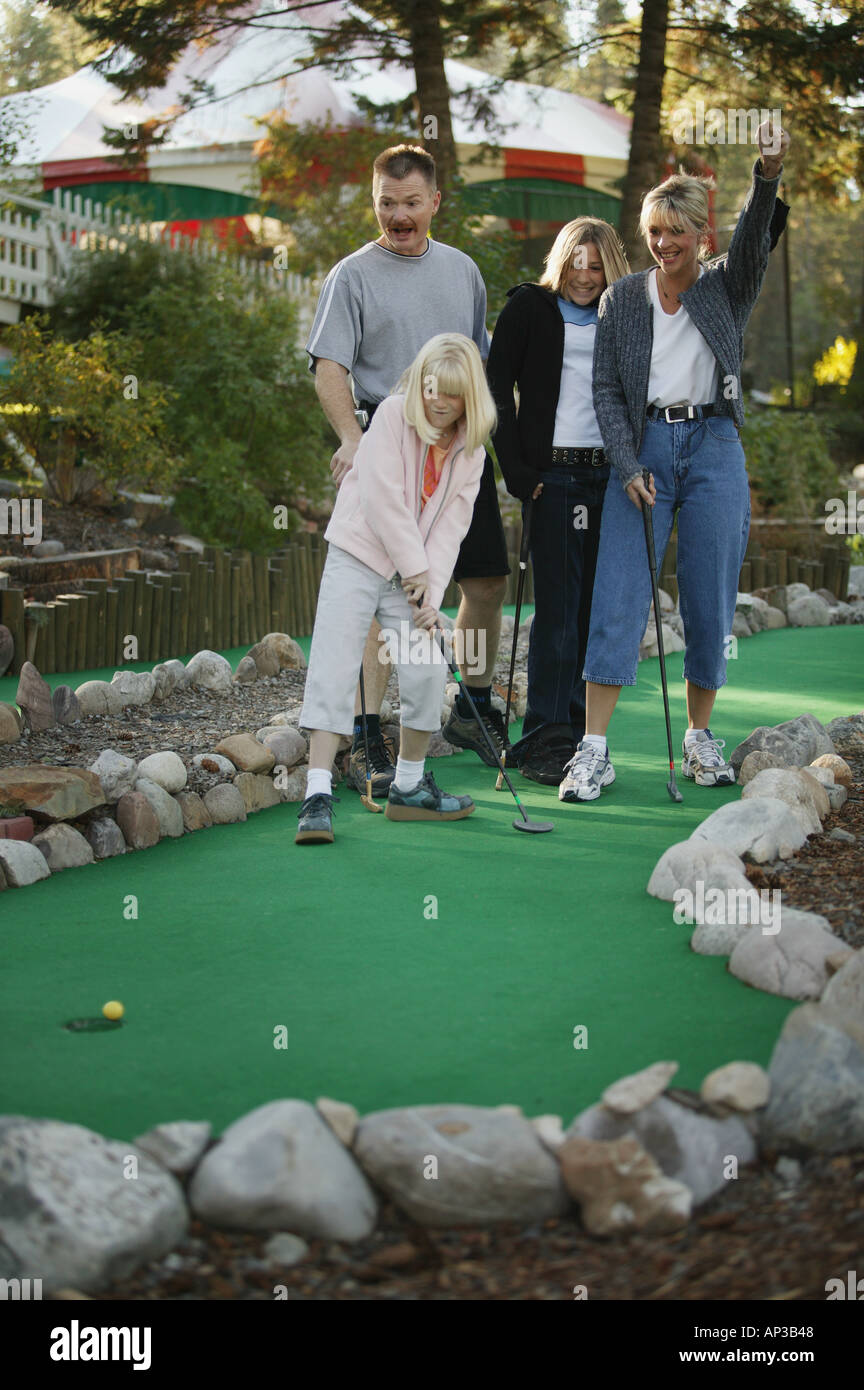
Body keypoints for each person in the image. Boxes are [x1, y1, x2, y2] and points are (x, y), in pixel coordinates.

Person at [559, 119, 791, 804]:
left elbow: (755, 241)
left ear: (702, 237)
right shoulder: (623, 299)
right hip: (646, 451)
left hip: (715, 446)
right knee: (619, 592)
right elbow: (605, 387)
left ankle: (698, 739)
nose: (663, 243)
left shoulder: (726, 286)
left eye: (676, 232)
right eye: (654, 231)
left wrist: (767, 174)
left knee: (710, 594)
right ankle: (594, 751)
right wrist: (627, 464)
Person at [305, 144, 510, 798]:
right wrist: (352, 437)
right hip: (385, 446)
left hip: (453, 453)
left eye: (410, 203)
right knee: (371, 597)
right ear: (375, 203)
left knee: (485, 580)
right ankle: (366, 734)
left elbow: (473, 362)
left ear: (434, 204)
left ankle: (471, 707)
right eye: (387, 204)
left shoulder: (464, 272)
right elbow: (329, 366)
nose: (398, 216)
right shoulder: (351, 276)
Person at [295, 333, 497, 844]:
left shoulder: (471, 453)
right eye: (431, 385)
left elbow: (453, 525)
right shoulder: (389, 415)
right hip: (359, 554)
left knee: (428, 669)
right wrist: (415, 570)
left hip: (411, 576)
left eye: (450, 392)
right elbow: (383, 500)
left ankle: (408, 788)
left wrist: (430, 592)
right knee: (336, 665)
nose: (436, 398)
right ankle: (316, 795)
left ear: (468, 397)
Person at [487, 218, 630, 784]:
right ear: (561, 260)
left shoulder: (625, 315)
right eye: (577, 262)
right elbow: (495, 383)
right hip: (557, 478)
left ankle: (585, 738)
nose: (585, 276)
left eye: (597, 266)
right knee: (559, 615)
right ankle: (547, 736)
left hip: (615, 479)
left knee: (598, 612)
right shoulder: (529, 307)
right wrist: (518, 471)